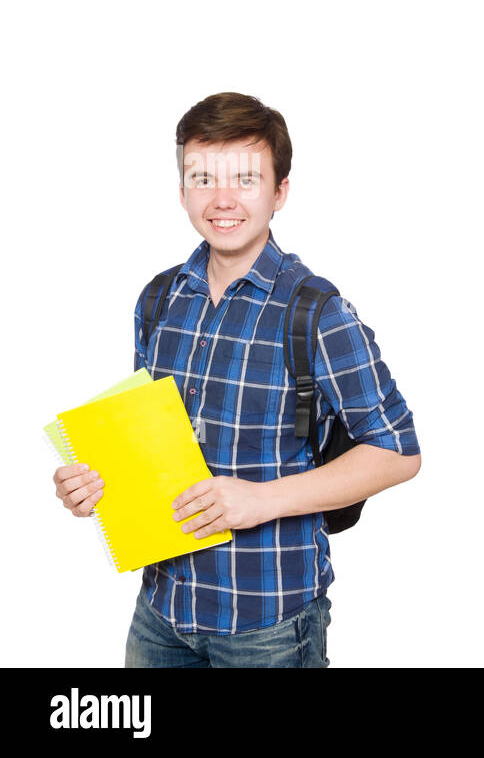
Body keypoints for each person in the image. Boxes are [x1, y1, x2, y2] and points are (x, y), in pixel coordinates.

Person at [50, 92, 422, 667]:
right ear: (181, 192)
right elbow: (149, 447)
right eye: (202, 178)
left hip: (268, 622)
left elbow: (398, 451)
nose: (222, 199)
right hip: (162, 611)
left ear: (280, 192)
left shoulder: (317, 311)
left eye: (246, 178)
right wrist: (94, 484)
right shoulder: (159, 298)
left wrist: (261, 501)